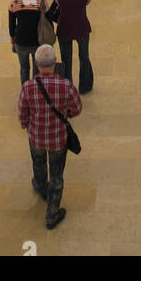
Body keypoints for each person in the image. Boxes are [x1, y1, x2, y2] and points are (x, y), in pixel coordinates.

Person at [19, 43, 83, 229]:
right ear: (55, 62)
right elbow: (77, 109)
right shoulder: (66, 86)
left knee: (38, 164)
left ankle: (40, 187)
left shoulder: (28, 87)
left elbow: (23, 113)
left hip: (36, 138)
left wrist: (26, 124)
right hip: (58, 139)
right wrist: (67, 114)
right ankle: (52, 213)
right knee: (56, 175)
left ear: (37, 64)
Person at [9, 0, 59, 85]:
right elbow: (48, 18)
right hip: (37, 41)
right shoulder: (41, 1)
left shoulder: (14, 2)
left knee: (24, 69)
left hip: (21, 42)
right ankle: (38, 89)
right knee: (37, 70)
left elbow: (11, 26)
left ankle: (25, 91)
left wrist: (13, 41)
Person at [54, 0, 93, 93]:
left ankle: (67, 87)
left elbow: (59, 4)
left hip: (64, 27)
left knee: (66, 59)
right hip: (81, 26)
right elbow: (87, 2)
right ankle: (85, 85)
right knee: (84, 56)